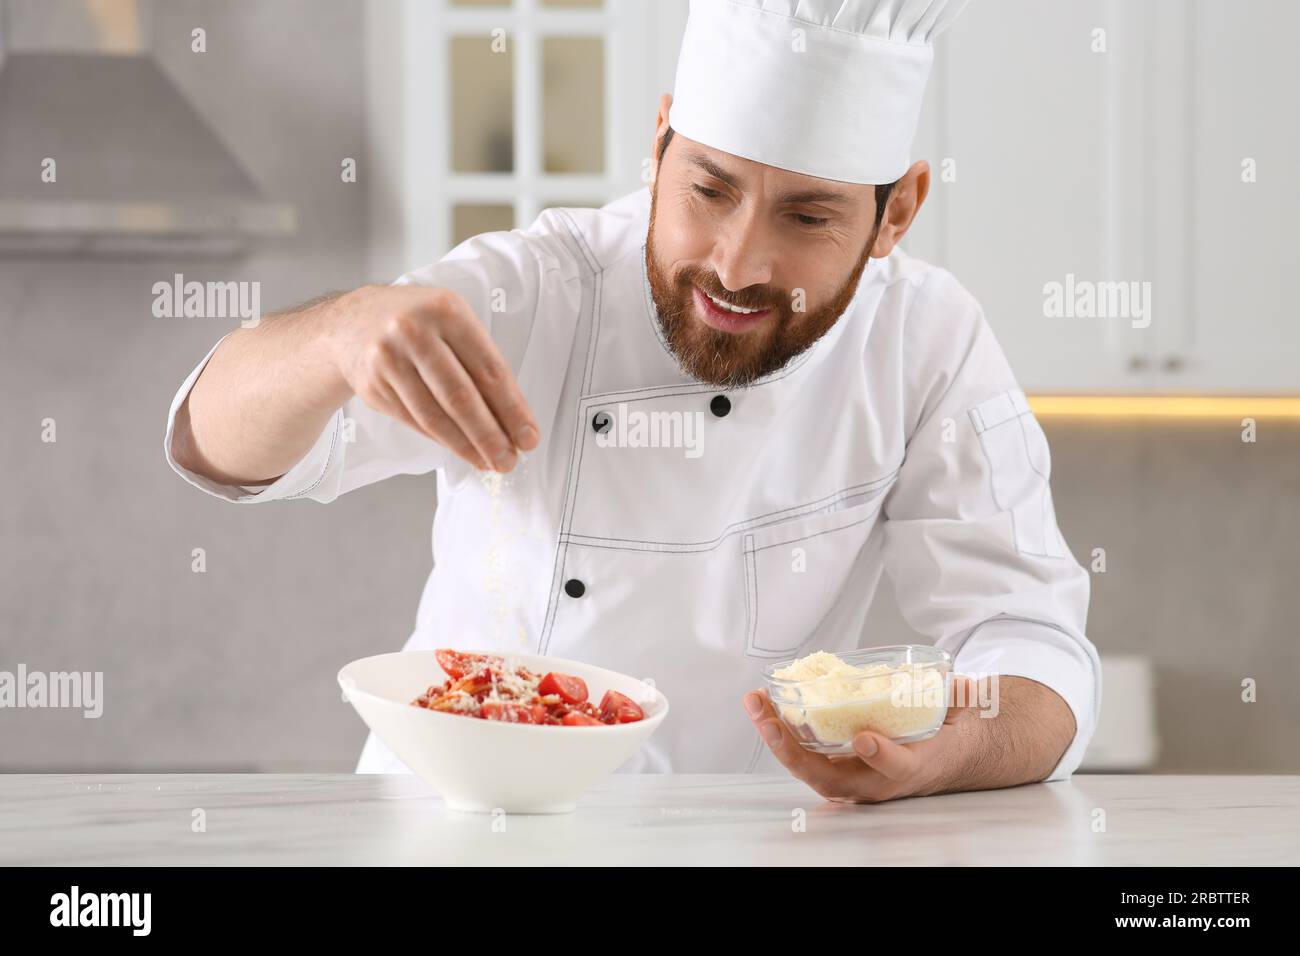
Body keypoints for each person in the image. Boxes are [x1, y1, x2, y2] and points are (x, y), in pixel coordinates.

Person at [165, 0, 1100, 802]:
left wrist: (952, 754)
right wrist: (337, 334)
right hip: (448, 828)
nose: (736, 265)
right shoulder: (532, 291)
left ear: (895, 214)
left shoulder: (925, 341)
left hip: (738, 845)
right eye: (709, 189)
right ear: (659, 147)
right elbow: (218, 448)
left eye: (808, 217)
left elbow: (1027, 635)